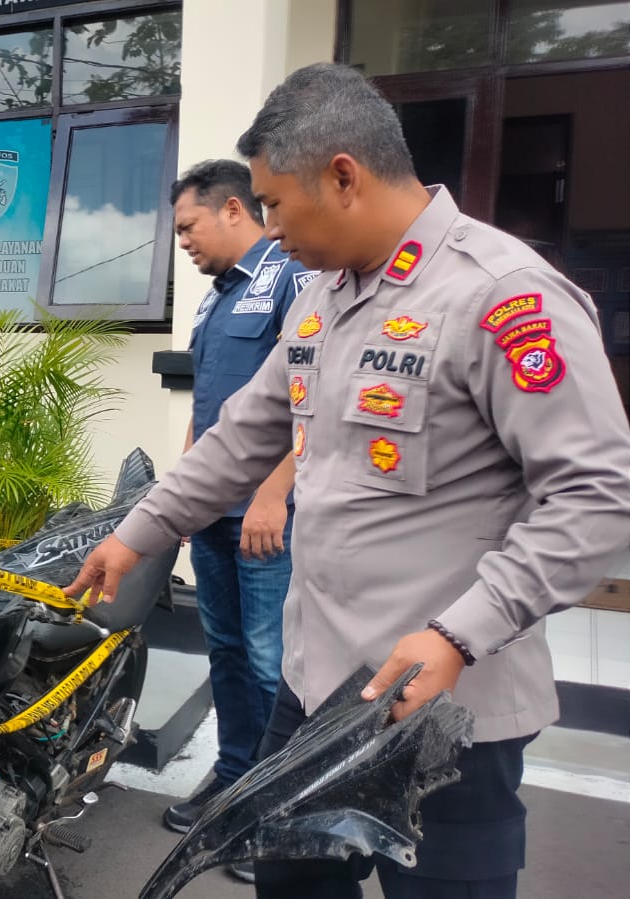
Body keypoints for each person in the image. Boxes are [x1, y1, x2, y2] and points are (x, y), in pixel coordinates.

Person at [66, 63, 630, 899]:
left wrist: (458, 633)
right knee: (289, 886)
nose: (265, 225)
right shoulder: (321, 296)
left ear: (342, 177)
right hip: (314, 683)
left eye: (273, 203)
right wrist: (133, 534)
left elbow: (595, 495)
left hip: (445, 708)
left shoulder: (502, 296)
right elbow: (239, 440)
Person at [165, 159, 311, 843]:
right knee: (223, 649)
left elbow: (313, 397)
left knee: (266, 657)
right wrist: (187, 490)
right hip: (215, 509)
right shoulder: (215, 295)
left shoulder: (289, 277)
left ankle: (275, 808)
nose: (183, 240)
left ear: (231, 209)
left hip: (264, 515)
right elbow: (207, 401)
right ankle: (231, 778)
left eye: (188, 225)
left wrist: (273, 493)